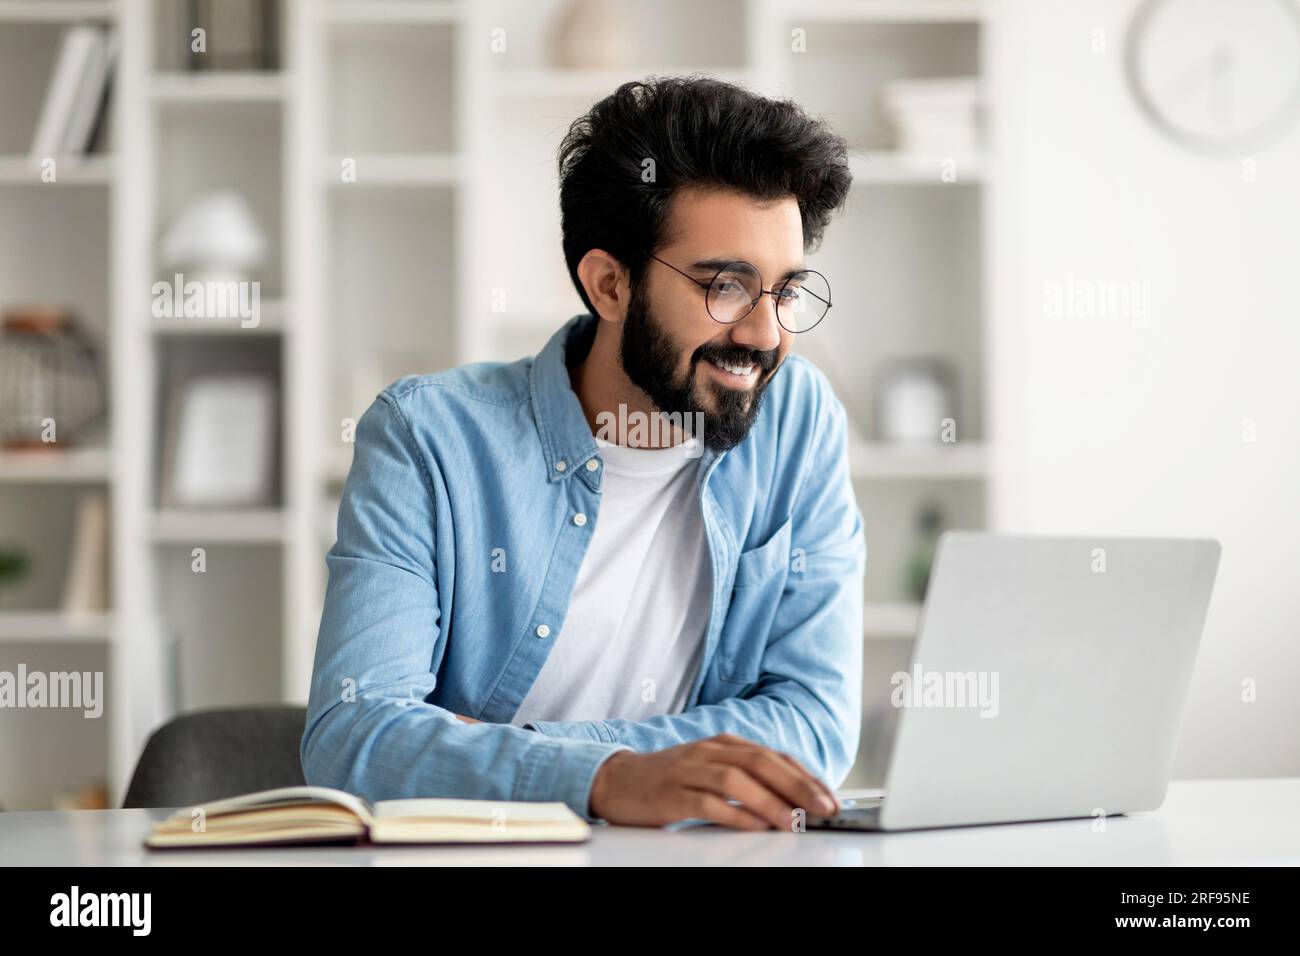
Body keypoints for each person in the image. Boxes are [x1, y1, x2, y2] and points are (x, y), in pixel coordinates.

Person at [302, 75, 865, 830]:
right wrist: (608, 778)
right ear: (608, 284)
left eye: (785, 291)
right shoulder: (428, 437)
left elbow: (815, 726)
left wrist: (575, 762)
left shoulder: (798, 422)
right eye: (725, 287)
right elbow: (352, 735)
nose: (766, 335)